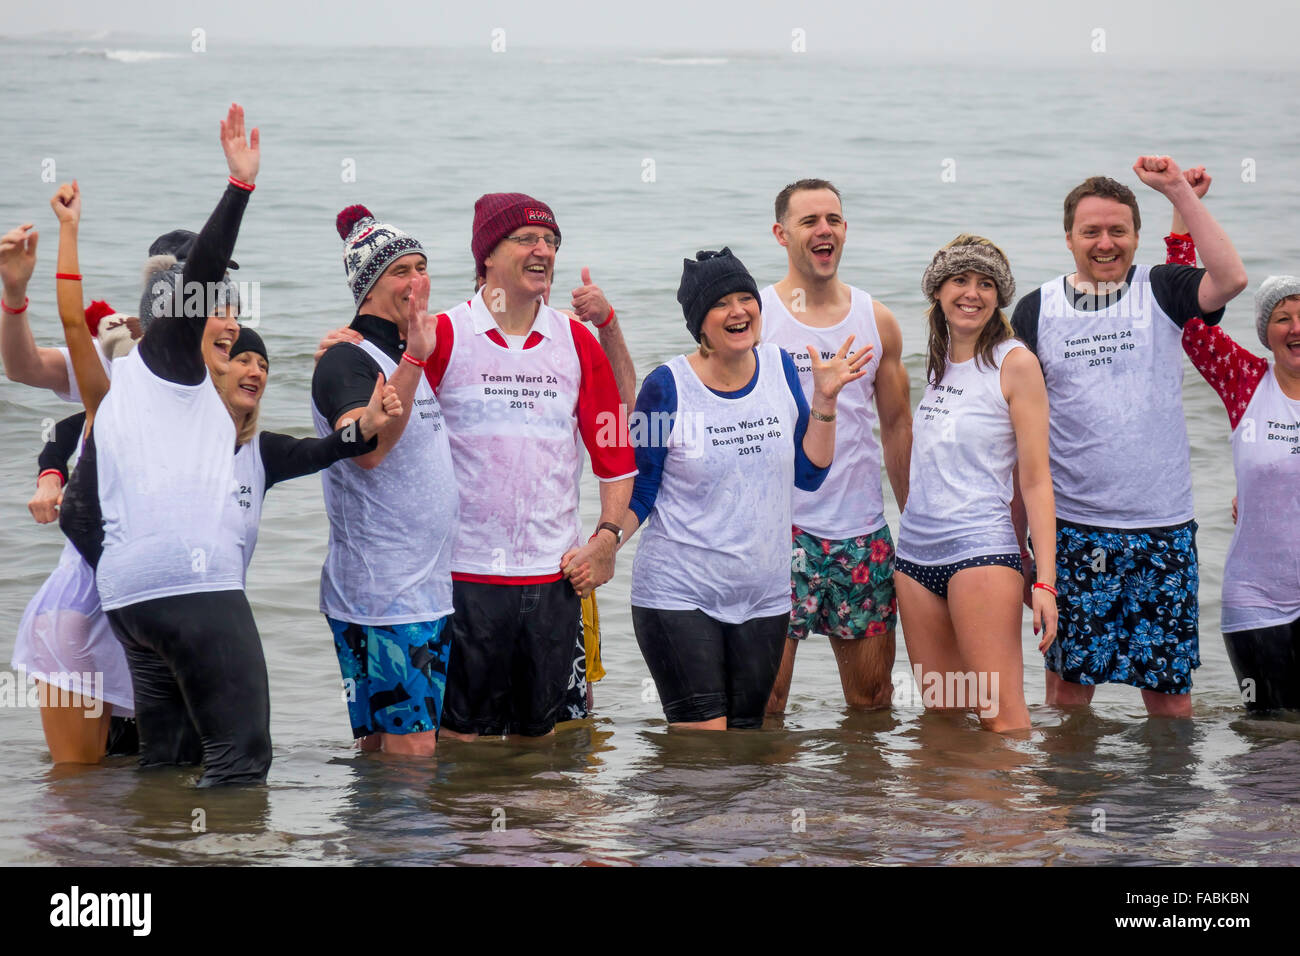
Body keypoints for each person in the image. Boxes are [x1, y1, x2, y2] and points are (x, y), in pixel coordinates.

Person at [57, 103, 276, 786]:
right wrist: (239, 186)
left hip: (131, 596)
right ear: (173, 317)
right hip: (193, 582)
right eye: (212, 309)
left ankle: (158, 852)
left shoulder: (120, 386)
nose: (226, 321)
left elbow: (75, 511)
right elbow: (206, 270)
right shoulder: (172, 361)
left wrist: (124, 562)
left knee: (170, 757)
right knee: (242, 760)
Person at [1010, 156, 1249, 717]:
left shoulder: (1163, 289)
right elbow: (1014, 441)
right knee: (1067, 700)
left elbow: (1232, 279)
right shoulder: (1036, 308)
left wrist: (1179, 194)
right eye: (1090, 231)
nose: (1105, 243)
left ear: (1137, 236)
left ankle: (1166, 806)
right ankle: (1070, 803)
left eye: (1118, 230)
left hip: (1162, 532)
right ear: (1068, 237)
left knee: (1170, 703)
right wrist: (1024, 550)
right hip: (1074, 534)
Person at [620, 247, 869, 730]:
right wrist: (606, 542)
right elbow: (641, 486)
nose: (738, 311)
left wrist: (824, 398)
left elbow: (809, 473)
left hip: (763, 596)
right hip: (678, 591)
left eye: (744, 298)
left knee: (746, 743)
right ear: (700, 322)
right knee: (704, 746)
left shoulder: (778, 368)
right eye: (720, 303)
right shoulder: (666, 386)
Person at [418, 193, 636, 740]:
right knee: (460, 746)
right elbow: (390, 436)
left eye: (552, 242)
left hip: (556, 579)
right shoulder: (442, 335)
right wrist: (350, 348)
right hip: (462, 580)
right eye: (528, 240)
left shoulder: (577, 341)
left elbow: (614, 453)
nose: (544, 251)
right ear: (487, 256)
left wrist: (607, 536)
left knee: (547, 747)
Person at [758, 178, 913, 714]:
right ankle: (763, 800)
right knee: (766, 701)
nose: (824, 230)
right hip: (779, 532)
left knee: (872, 701)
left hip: (860, 531)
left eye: (833, 220)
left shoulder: (878, 321)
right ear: (781, 234)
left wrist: (913, 520)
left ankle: (863, 802)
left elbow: (896, 428)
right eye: (809, 221)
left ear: (845, 230)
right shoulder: (753, 319)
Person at [894, 236, 1057, 733]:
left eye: (986, 284)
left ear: (999, 297)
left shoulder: (1015, 363)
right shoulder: (939, 364)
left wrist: (1044, 580)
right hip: (917, 559)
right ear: (938, 292)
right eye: (960, 280)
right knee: (942, 717)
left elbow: (1035, 480)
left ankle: (1027, 812)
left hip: (981, 556)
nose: (972, 293)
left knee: (1001, 718)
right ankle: (948, 814)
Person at [312, 204, 452, 756]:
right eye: (401, 271)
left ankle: (375, 843)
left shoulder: (397, 351)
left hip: (413, 591)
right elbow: (364, 451)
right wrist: (415, 359)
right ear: (367, 288)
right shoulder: (345, 361)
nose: (417, 280)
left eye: (421, 266)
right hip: (388, 596)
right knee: (412, 757)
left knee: (382, 750)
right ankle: (407, 845)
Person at [1164, 169, 1300, 711]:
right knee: (1267, 743)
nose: (1295, 328)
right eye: (1283, 318)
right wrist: (1182, 211)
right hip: (1258, 602)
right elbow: (1188, 317)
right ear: (1266, 331)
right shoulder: (1247, 381)